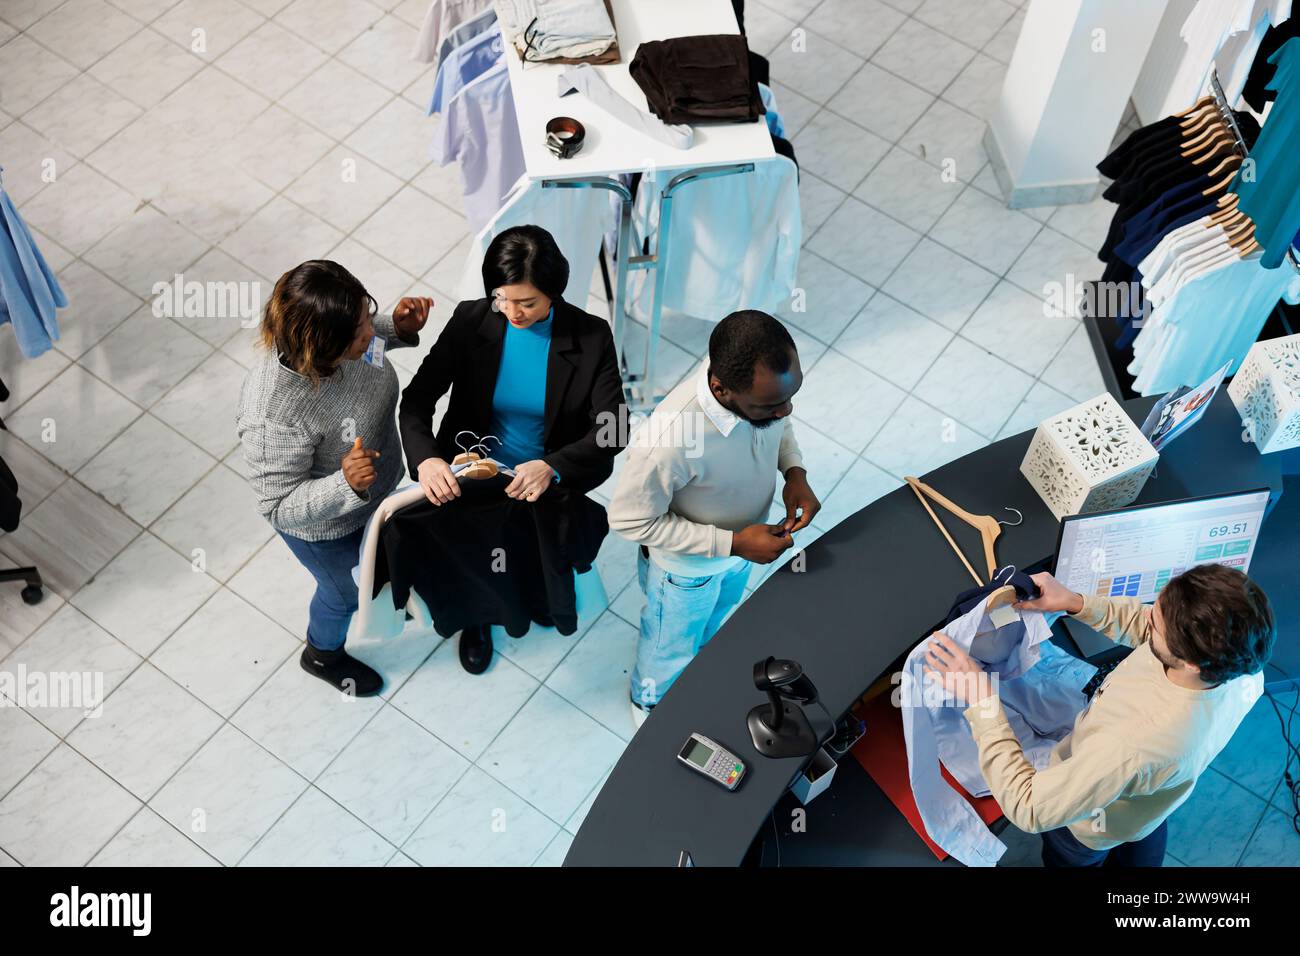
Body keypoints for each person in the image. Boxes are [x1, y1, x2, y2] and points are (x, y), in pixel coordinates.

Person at [924, 563, 1275, 867]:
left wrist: (980, 700)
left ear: (1191, 662)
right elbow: (1143, 624)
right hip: (1144, 802)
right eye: (1158, 605)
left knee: (1074, 856)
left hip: (1090, 825)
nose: (1147, 614)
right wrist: (1076, 602)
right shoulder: (1242, 667)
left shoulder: (1133, 746)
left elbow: (1029, 806)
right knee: (1141, 828)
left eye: (1157, 623)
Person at [398, 224, 624, 674]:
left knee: (534, 556)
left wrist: (554, 466)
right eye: (502, 298)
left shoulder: (591, 335)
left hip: (539, 482)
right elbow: (418, 399)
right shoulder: (471, 320)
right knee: (474, 558)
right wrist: (427, 459)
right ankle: (477, 621)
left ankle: (539, 603)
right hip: (472, 472)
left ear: (554, 292)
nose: (512, 312)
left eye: (527, 302)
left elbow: (613, 428)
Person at [608, 311, 820, 727]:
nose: (786, 410)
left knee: (714, 623)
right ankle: (648, 704)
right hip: (686, 573)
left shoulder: (760, 394)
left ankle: (701, 668)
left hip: (741, 552)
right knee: (669, 645)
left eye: (789, 398)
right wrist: (735, 542)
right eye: (771, 405)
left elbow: (781, 427)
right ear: (721, 390)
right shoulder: (668, 440)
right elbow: (630, 521)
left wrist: (794, 472)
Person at [236, 260, 432, 696]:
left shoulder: (353, 339)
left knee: (387, 561)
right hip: (326, 528)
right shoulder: (273, 414)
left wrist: (396, 328)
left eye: (368, 317)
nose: (370, 335)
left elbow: (370, 334)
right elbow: (277, 506)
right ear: (322, 347)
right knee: (344, 595)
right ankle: (321, 654)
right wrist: (343, 484)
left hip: (376, 493)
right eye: (360, 333)